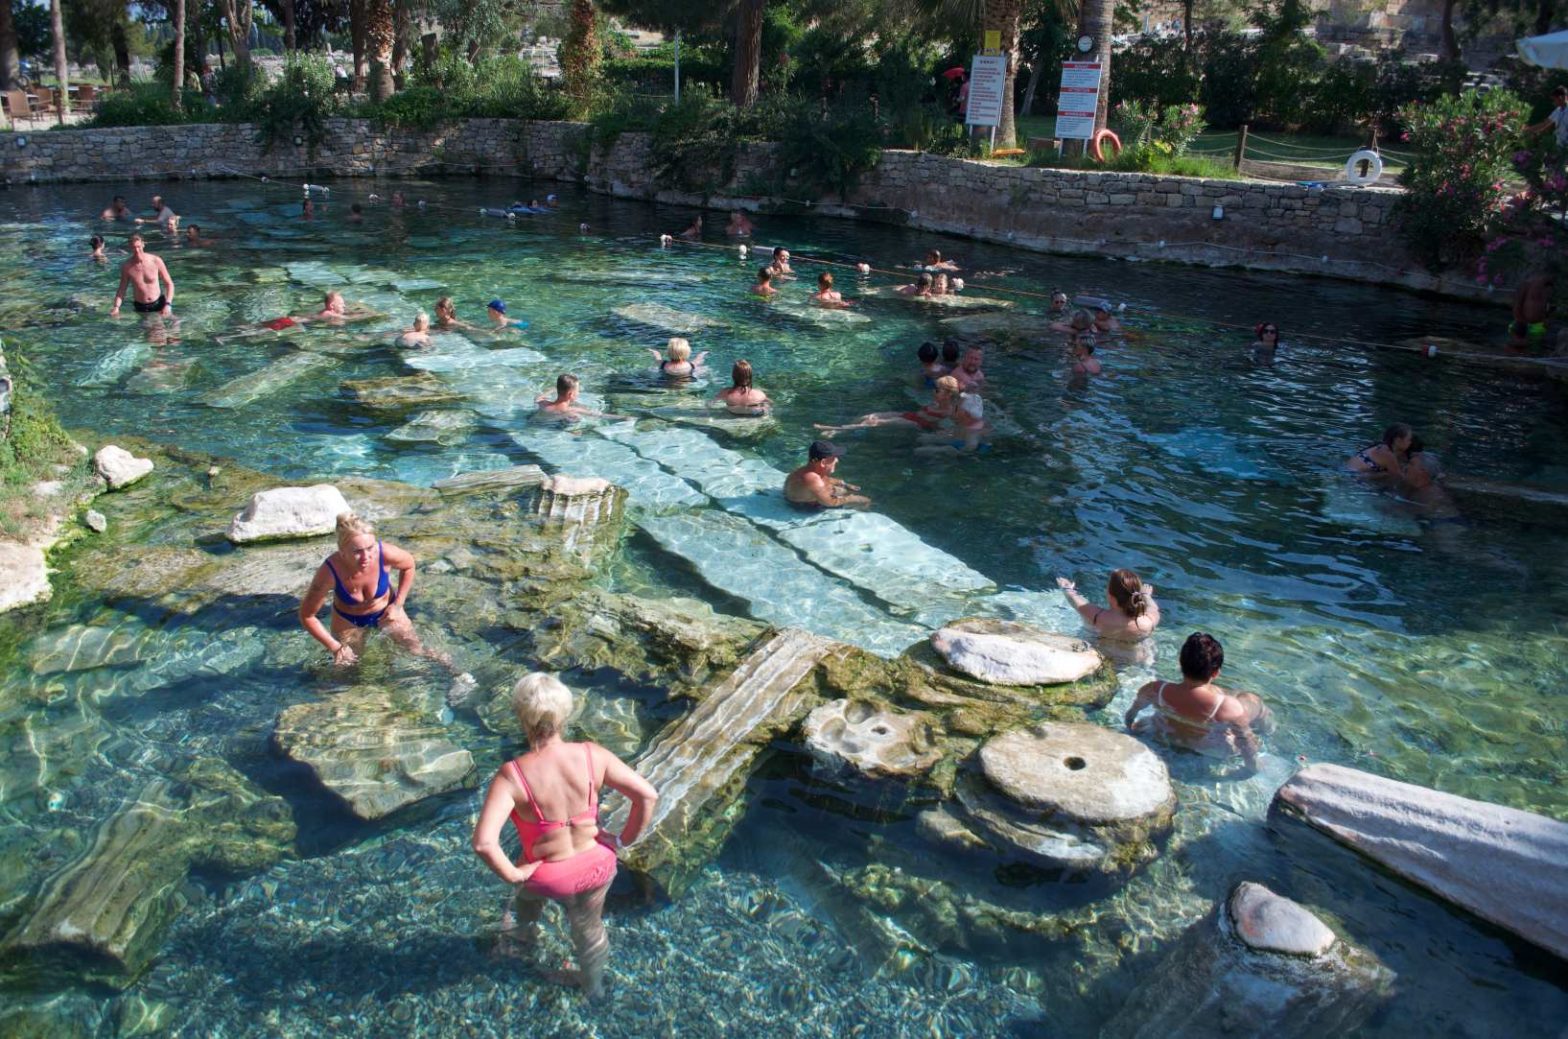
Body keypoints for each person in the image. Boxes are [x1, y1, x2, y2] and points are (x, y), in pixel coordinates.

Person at [471, 672, 658, 997]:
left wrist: (515, 876)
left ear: (521, 716)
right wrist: (622, 840)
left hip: (546, 874)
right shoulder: (592, 754)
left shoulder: (512, 775)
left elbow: (485, 843)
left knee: (524, 897)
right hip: (598, 865)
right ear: (566, 714)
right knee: (589, 927)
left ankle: (521, 940)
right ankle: (593, 987)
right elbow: (647, 796)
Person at [298, 511, 456, 671]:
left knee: (416, 650)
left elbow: (409, 565)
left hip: (387, 611)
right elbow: (307, 616)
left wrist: (398, 605)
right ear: (342, 551)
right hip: (348, 620)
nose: (366, 556)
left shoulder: (385, 553)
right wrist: (335, 647)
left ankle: (457, 674)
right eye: (357, 551)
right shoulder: (330, 572)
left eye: (370, 548)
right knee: (348, 666)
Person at [1125, 632, 1272, 771]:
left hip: (1166, 735)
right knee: (1252, 701)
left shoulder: (1156, 689)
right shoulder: (1227, 707)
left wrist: (1129, 726)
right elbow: (1246, 743)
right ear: (1216, 672)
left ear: (1180, 664)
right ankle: (1270, 730)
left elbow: (1132, 713)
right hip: (1206, 748)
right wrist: (1254, 767)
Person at [815, 376, 958, 436]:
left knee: (877, 422)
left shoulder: (948, 411)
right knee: (870, 415)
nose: (934, 391)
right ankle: (841, 428)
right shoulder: (936, 402)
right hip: (911, 416)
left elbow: (945, 428)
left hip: (917, 424)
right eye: (934, 388)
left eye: (938, 390)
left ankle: (836, 430)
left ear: (948, 394)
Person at [1056, 569, 1161, 640]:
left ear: (1111, 596)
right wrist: (1147, 596)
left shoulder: (1097, 617)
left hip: (1103, 654)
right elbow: (1153, 608)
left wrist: (1067, 588)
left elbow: (1074, 599)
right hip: (1135, 659)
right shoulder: (1148, 622)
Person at [784, 440, 871, 511]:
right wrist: (851, 498)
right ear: (823, 462)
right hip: (804, 506)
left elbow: (824, 479)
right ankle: (864, 511)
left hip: (812, 494)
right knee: (865, 500)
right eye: (834, 458)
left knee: (845, 490)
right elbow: (830, 502)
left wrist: (844, 484)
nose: (837, 460)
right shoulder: (813, 480)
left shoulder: (809, 470)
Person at [110, 234, 174, 318]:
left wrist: (168, 304)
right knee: (155, 329)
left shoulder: (155, 261)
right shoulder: (127, 266)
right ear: (130, 247)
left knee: (176, 324)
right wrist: (116, 307)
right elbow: (122, 289)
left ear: (143, 244)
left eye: (138, 247)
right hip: (141, 307)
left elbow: (169, 284)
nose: (137, 250)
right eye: (134, 247)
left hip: (159, 303)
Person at [535, 373, 622, 423]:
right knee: (576, 419)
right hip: (556, 427)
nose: (579, 393)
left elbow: (537, 398)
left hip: (537, 423)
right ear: (570, 394)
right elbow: (600, 415)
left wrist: (553, 389)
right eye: (578, 391)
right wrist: (624, 418)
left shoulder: (543, 404)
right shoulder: (572, 410)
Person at [1346, 423, 1413, 478]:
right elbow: (1400, 477)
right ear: (1398, 440)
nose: (1410, 442)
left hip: (1347, 470)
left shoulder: (1379, 446)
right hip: (1354, 477)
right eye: (1409, 440)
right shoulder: (1388, 455)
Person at [1509, 269, 1555, 348]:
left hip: (1534, 325)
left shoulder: (1543, 296)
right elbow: (1518, 303)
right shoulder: (1531, 289)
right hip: (1525, 324)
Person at [1524, 85, 1568, 153]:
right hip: (1559, 145)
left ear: (1561, 97)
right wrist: (1528, 130)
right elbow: (1545, 124)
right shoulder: (1557, 111)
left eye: (1554, 99)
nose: (1553, 102)